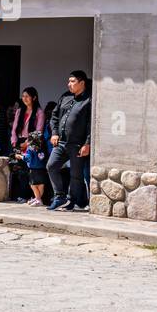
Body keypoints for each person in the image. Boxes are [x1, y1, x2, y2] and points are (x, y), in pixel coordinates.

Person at [46, 69, 92, 212]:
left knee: (76, 176)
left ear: (82, 83)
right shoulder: (65, 97)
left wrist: (87, 143)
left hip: (78, 145)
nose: (69, 84)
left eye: (72, 81)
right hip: (61, 143)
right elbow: (54, 117)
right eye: (69, 81)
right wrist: (54, 133)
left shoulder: (89, 100)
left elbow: (91, 124)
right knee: (51, 166)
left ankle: (72, 201)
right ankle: (59, 196)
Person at [22, 131, 49, 206]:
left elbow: (27, 157)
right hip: (42, 169)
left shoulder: (30, 148)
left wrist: (21, 156)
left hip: (33, 169)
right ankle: (38, 198)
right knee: (41, 184)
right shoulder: (43, 147)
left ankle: (38, 199)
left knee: (33, 185)